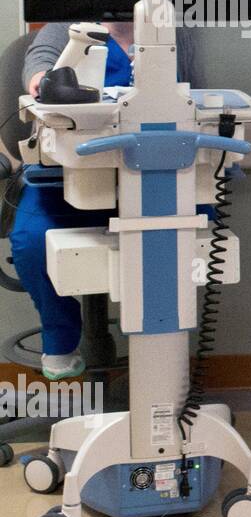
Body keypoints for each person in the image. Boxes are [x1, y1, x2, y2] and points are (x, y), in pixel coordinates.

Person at [11, 19, 199, 380]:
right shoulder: (64, 30)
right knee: (32, 240)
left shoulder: (174, 34)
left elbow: (196, 98)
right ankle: (61, 338)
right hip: (66, 180)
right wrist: (45, 81)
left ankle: (160, 354)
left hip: (156, 177)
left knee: (183, 234)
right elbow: (37, 70)